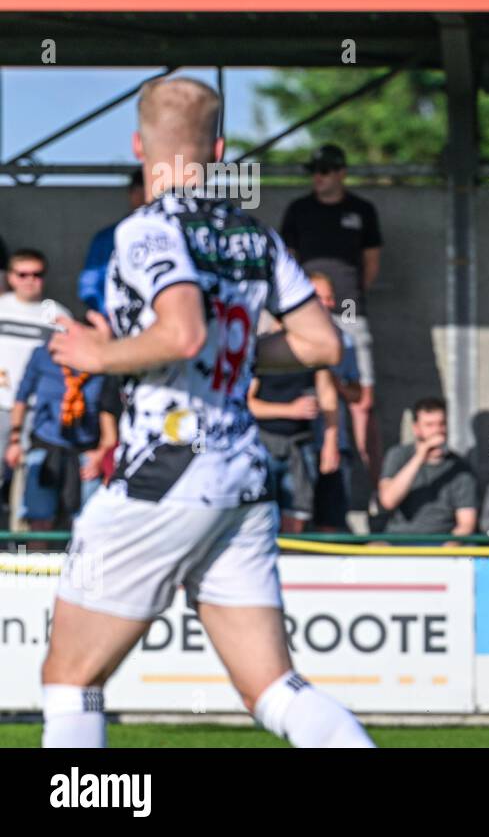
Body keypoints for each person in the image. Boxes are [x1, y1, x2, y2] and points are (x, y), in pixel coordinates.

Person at [40, 77, 372, 748]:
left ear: (139, 145)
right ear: (217, 149)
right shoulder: (251, 235)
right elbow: (320, 343)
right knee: (274, 688)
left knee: (70, 680)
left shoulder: (144, 231)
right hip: (240, 477)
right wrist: (238, 345)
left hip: (163, 467)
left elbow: (183, 332)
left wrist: (97, 354)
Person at [280, 144, 383, 481]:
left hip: (350, 310)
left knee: (362, 402)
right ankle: (314, 482)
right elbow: (287, 262)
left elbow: (371, 263)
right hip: (307, 313)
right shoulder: (298, 210)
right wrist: (303, 306)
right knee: (310, 393)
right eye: (313, 171)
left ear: (341, 173)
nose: (317, 178)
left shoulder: (362, 210)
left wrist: (350, 297)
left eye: (324, 171)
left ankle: (374, 493)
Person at [5, 344, 113, 536]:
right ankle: (37, 565)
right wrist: (15, 441)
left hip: (85, 452)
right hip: (45, 448)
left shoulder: (102, 361)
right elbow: (21, 396)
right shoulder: (43, 355)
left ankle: (79, 564)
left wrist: (100, 454)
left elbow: (109, 412)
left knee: (87, 522)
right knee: (38, 519)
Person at [248, 317, 342, 534]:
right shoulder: (262, 350)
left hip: (300, 446)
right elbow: (247, 403)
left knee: (297, 515)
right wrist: (289, 410)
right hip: (264, 442)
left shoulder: (313, 352)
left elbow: (328, 397)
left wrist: (331, 443)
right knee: (258, 514)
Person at [0, 249, 72, 531]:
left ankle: (21, 554)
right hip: (1, 406)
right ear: (11, 277)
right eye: (23, 274)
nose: (30, 281)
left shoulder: (56, 314)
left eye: (37, 274)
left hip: (38, 412)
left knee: (30, 484)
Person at [376, 397, 477, 537]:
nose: (437, 431)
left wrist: (451, 545)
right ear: (416, 428)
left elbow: (466, 523)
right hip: (398, 538)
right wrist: (419, 457)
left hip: (442, 541)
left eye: (442, 424)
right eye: (429, 425)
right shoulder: (398, 455)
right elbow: (387, 501)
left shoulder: (460, 467)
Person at [307, 271, 362, 531]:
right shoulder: (279, 339)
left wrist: (333, 382)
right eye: (322, 298)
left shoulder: (346, 341)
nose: (329, 304)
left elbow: (357, 394)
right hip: (294, 444)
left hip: (333, 442)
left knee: (331, 522)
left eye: (331, 298)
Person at [79, 169, 147, 315]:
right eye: (144, 192)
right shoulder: (108, 238)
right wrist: (110, 318)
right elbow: (89, 287)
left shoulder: (179, 233)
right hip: (118, 330)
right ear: (133, 194)